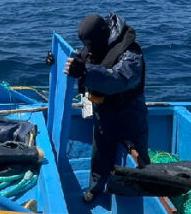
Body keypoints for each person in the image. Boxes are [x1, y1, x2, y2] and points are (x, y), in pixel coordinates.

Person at [64, 13, 149, 203]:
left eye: (91, 43)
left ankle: (144, 195)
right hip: (104, 115)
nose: (89, 49)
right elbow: (80, 62)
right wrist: (58, 62)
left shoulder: (130, 53)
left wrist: (85, 72)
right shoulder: (94, 47)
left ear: (103, 35)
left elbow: (119, 79)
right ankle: (95, 189)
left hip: (130, 117)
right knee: (99, 155)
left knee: (140, 161)